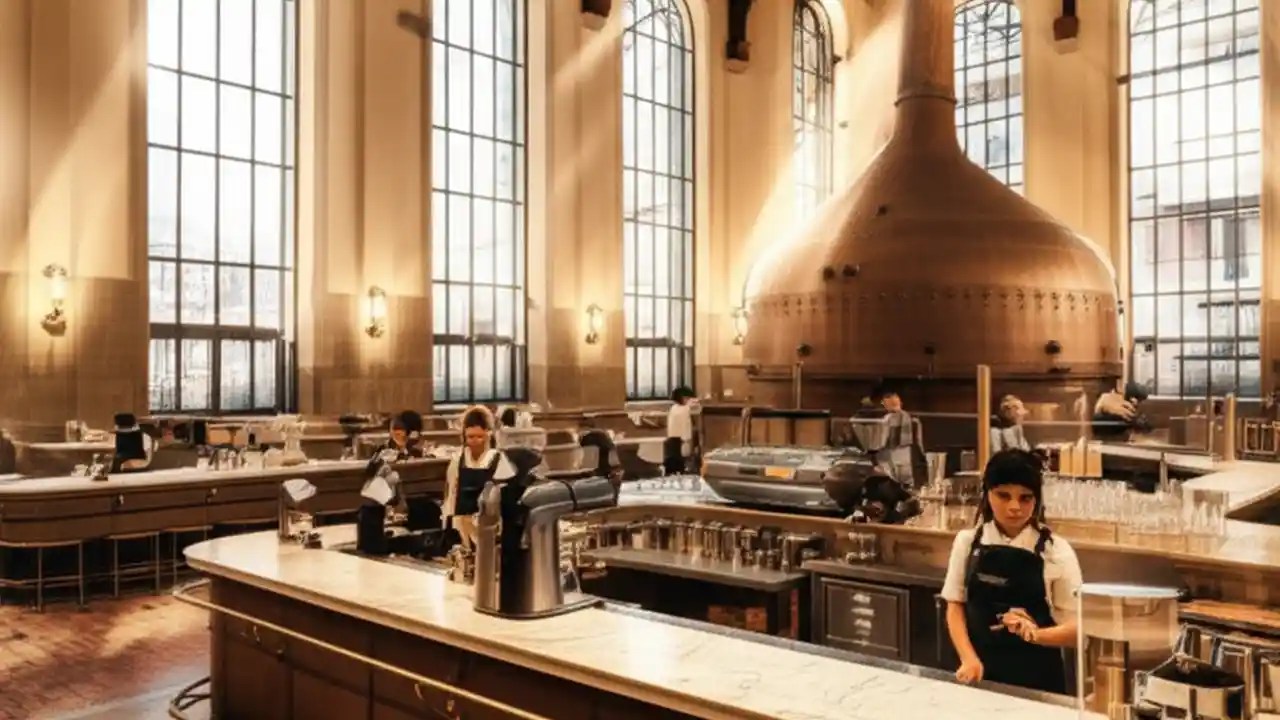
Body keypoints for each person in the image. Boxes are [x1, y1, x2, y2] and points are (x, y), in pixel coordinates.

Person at [941, 449, 1082, 694]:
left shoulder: (1055, 551)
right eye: (1003, 495)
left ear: (1037, 500)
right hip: (977, 676)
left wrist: (1034, 635)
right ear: (987, 495)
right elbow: (955, 607)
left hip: (1038, 683)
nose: (1014, 507)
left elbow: (1079, 630)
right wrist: (969, 659)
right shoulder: (967, 542)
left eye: (1025, 498)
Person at [442, 406, 515, 550]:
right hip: (462, 524)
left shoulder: (498, 459)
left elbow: (508, 497)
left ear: (488, 435)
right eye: (471, 437)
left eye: (480, 436)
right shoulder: (458, 459)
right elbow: (451, 493)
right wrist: (447, 523)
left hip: (490, 524)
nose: (475, 441)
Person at [663, 386, 696, 475]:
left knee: (672, 464)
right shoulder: (684, 409)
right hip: (680, 440)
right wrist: (687, 441)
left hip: (672, 439)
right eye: (687, 398)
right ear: (683, 398)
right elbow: (685, 426)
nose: (688, 400)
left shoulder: (673, 408)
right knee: (679, 464)